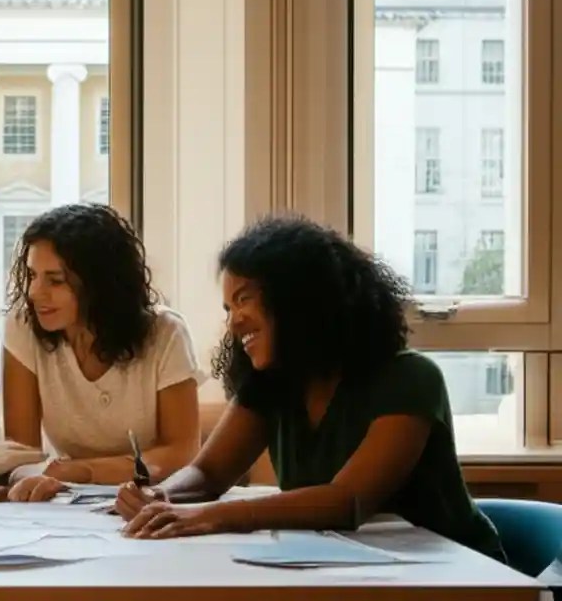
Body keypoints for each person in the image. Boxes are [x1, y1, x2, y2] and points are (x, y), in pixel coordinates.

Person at [115, 216, 505, 561]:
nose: (234, 323)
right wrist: (163, 496)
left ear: (298, 300)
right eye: (228, 309)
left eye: (243, 300)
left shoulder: (412, 378)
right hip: (353, 573)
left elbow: (346, 501)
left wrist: (209, 516)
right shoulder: (273, 382)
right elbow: (208, 471)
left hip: (457, 573)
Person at [0, 204, 203, 501]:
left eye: (55, 280)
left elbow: (182, 453)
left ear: (100, 285)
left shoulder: (166, 333)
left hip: (153, 499)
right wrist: (49, 477)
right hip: (67, 500)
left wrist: (80, 472)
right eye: (32, 275)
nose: (34, 293)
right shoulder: (22, 325)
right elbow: (20, 455)